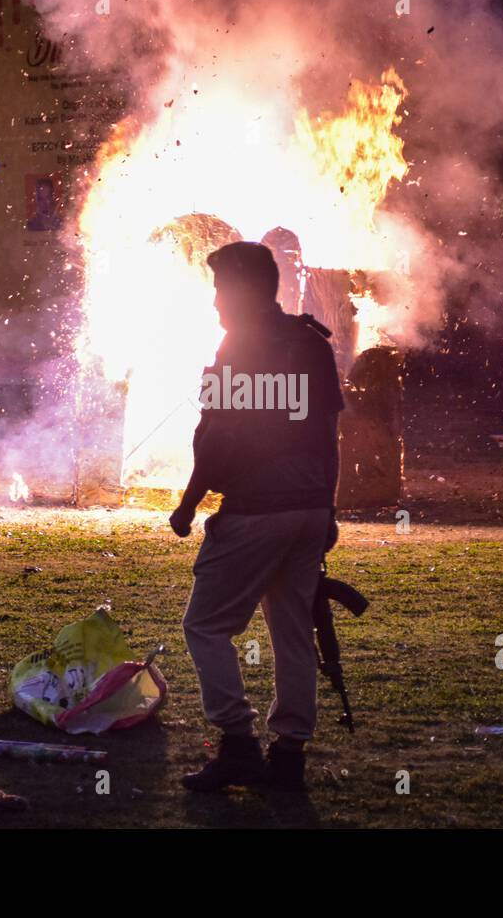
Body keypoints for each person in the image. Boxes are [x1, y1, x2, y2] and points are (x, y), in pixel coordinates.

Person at [170, 241, 344, 792]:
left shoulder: (236, 347)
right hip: (308, 508)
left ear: (243, 290)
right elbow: (328, 435)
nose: (216, 301)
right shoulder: (312, 342)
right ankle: (289, 755)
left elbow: (216, 439)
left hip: (257, 510)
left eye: (221, 288)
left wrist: (189, 502)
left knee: (204, 625)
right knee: (293, 631)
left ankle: (238, 743)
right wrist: (328, 507)